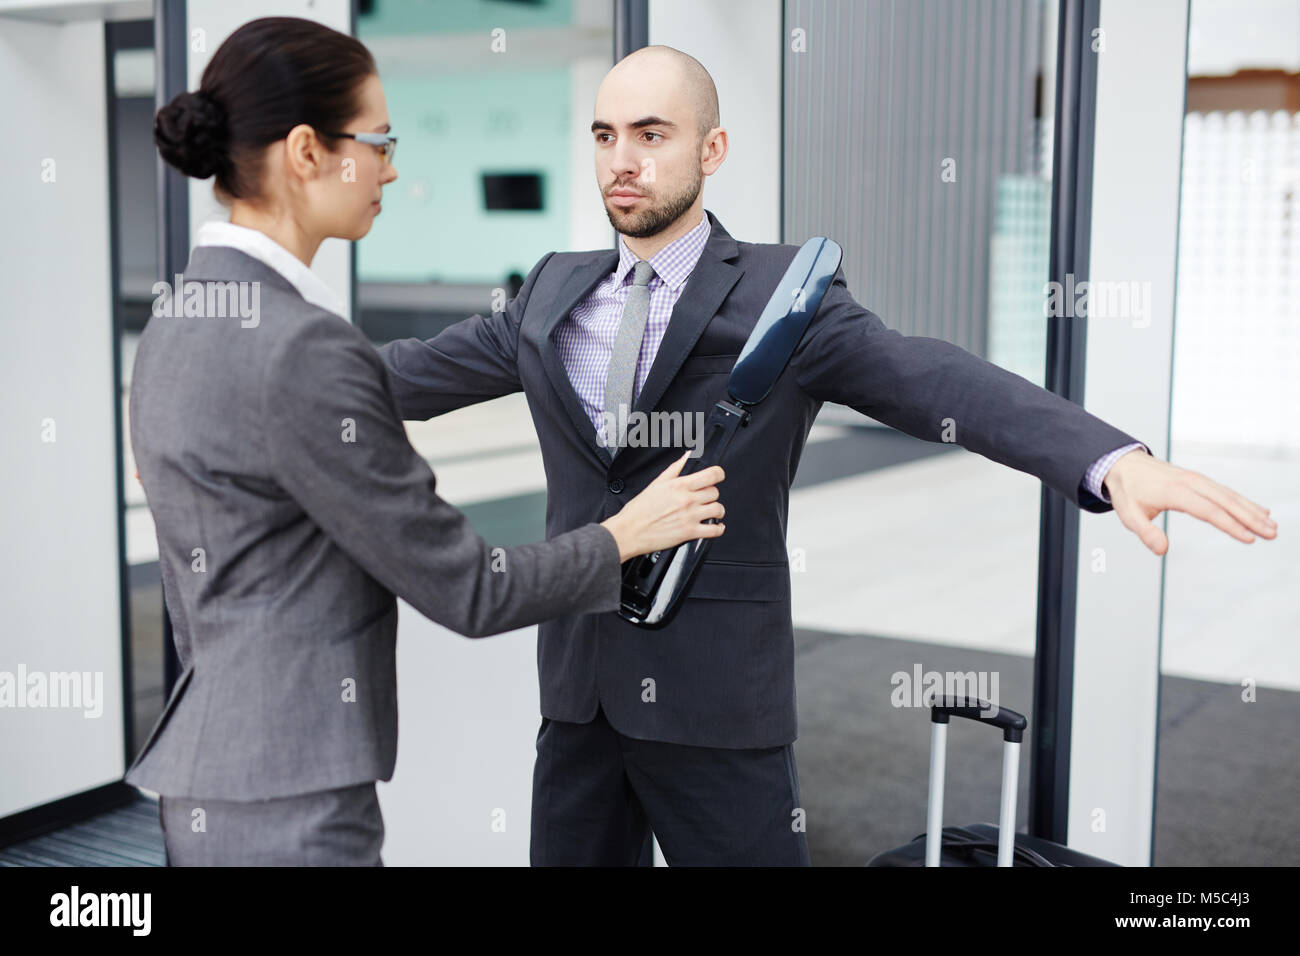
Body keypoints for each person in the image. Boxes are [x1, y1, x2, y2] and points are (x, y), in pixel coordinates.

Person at [378, 45, 1279, 866]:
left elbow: (934, 380)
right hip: (579, 695)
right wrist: (260, 365)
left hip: (718, 697)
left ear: (712, 148)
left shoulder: (783, 298)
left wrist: (1110, 459)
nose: (623, 159)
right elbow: (394, 379)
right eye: (607, 134)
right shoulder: (550, 289)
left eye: (653, 134)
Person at [124, 19, 726, 866]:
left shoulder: (179, 319)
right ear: (306, 152)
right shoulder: (306, 346)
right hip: (295, 797)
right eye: (379, 140)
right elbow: (473, 589)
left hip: (210, 771)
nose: (392, 167)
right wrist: (624, 537)